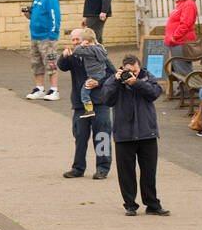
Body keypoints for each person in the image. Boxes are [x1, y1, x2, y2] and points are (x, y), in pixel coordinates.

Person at [98, 55, 169, 216]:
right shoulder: (114, 80)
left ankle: (152, 204)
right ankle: (130, 204)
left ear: (139, 67)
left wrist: (136, 83)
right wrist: (117, 82)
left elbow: (155, 93)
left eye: (135, 71)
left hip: (147, 133)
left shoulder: (146, 77)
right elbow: (106, 99)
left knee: (149, 172)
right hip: (124, 134)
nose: (133, 74)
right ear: (123, 69)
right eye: (129, 72)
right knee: (126, 173)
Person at [57, 28, 113, 180]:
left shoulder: (98, 53)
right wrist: (63, 56)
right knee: (80, 136)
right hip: (80, 104)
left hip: (100, 102)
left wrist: (98, 82)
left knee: (102, 135)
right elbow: (61, 66)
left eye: (78, 40)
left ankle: (102, 167)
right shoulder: (73, 56)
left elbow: (112, 74)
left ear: (86, 41)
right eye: (73, 40)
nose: (75, 43)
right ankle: (78, 168)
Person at [24, 0, 61, 100]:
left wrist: (53, 35)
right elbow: (36, 13)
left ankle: (54, 90)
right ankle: (39, 88)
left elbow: (55, 17)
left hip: (47, 37)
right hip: (35, 36)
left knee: (50, 62)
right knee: (36, 63)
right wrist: (29, 14)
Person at [71, 29, 111, 118]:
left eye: (81, 41)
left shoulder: (89, 50)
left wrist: (81, 46)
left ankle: (89, 110)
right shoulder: (100, 47)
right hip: (101, 72)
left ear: (86, 41)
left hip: (94, 74)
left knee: (84, 91)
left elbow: (76, 51)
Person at [164, 0, 199, 80]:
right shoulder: (181, 4)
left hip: (181, 41)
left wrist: (175, 36)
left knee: (183, 68)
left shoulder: (189, 4)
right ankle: (183, 88)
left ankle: (190, 88)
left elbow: (185, 24)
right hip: (176, 41)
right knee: (178, 67)